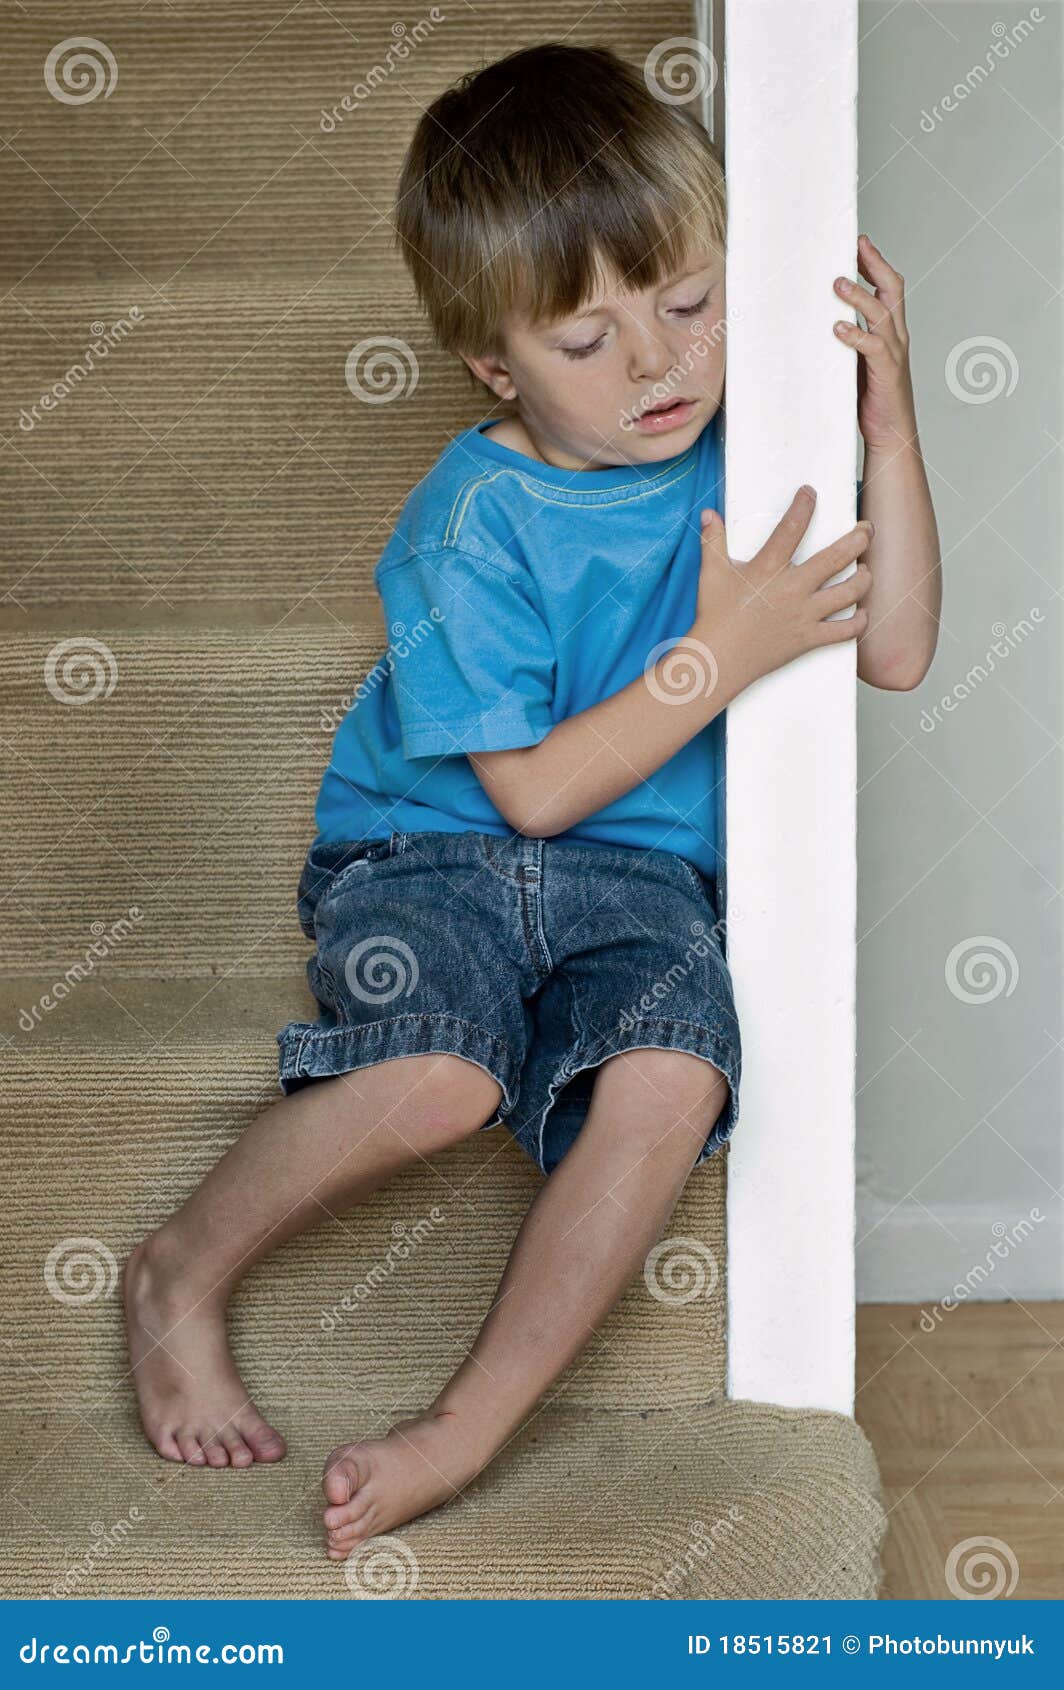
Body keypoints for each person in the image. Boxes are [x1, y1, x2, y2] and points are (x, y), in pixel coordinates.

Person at [123, 42, 941, 1563]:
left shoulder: (754, 438)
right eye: (586, 338)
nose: (658, 367)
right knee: (443, 1073)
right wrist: (722, 653)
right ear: (496, 363)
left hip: (643, 882)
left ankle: (465, 1424)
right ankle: (178, 1268)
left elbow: (894, 646)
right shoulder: (469, 517)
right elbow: (540, 792)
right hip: (429, 848)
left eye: (687, 304)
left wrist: (887, 423)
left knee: (674, 1071)